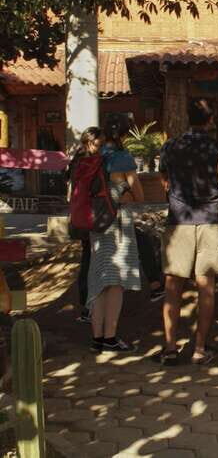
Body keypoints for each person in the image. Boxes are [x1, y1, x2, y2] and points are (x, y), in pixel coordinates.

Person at [157, 98, 218, 366]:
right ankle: (199, 348)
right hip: (210, 219)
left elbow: (164, 179)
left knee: (172, 287)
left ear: (187, 117)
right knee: (206, 288)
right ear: (210, 120)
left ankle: (169, 348)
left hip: (178, 220)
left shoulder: (171, 146)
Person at [87, 114, 144, 353]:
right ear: (124, 134)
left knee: (99, 282)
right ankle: (110, 337)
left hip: (96, 224)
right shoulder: (123, 159)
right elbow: (139, 196)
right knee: (116, 283)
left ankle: (97, 339)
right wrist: (126, 195)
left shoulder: (93, 158)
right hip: (118, 224)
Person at [65, 127, 104, 323]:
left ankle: (86, 306)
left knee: (87, 259)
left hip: (79, 216)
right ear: (89, 143)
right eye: (98, 144)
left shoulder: (76, 161)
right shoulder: (93, 162)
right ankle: (89, 308)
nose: (100, 148)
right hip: (92, 216)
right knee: (92, 263)